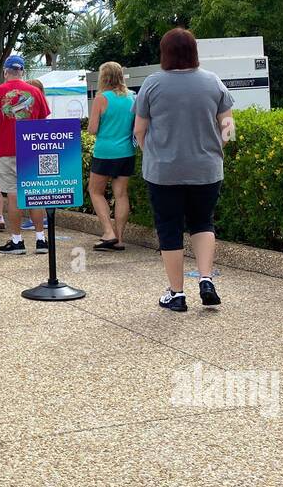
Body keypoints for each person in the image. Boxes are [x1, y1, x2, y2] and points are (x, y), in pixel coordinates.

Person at [133, 28, 235, 311]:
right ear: (194, 51)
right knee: (203, 222)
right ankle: (206, 279)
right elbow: (228, 127)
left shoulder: (153, 84)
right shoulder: (213, 82)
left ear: (164, 53)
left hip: (163, 171)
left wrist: (152, 153)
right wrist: (216, 151)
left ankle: (176, 294)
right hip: (206, 169)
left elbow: (139, 130)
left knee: (169, 228)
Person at [0, 56, 50, 253]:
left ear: (5, 71)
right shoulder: (36, 92)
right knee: (34, 194)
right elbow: (43, 123)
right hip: (32, 150)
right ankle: (40, 240)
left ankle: (17, 241)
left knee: (13, 195)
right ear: (22, 72)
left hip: (6, 151)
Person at [88, 61, 136, 251]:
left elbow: (92, 129)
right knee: (121, 194)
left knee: (95, 191)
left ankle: (108, 232)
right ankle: (120, 239)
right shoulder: (132, 97)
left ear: (104, 77)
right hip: (127, 152)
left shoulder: (101, 98)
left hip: (105, 152)